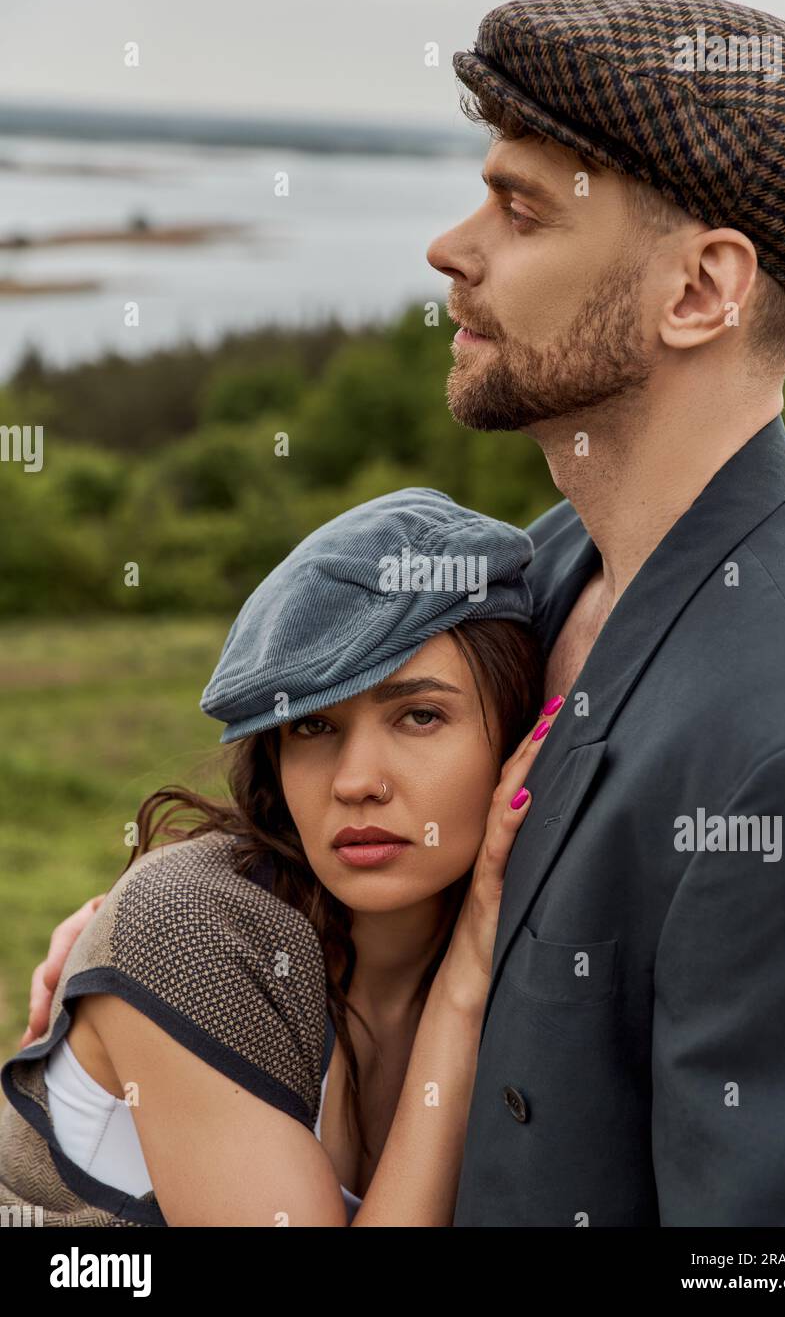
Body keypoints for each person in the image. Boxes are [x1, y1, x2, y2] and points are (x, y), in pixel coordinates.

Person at [17, 0, 785, 1227]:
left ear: (698, 289)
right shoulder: (545, 567)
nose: (449, 247)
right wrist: (163, 930)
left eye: (520, 210)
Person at [0, 488, 565, 1226]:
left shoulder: (539, 932)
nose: (357, 781)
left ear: (520, 738)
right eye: (314, 727)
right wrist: (463, 992)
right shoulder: (196, 928)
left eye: (419, 715)